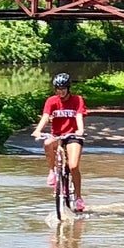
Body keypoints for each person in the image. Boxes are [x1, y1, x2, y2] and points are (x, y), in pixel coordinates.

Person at [32, 72, 87, 213]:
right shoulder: (51, 101)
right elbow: (45, 117)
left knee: (73, 166)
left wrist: (80, 130)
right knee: (47, 143)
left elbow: (79, 116)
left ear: (68, 88)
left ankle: (78, 198)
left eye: (63, 88)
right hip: (57, 135)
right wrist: (38, 130)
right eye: (58, 88)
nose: (60, 91)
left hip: (73, 136)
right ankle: (52, 171)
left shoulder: (77, 100)